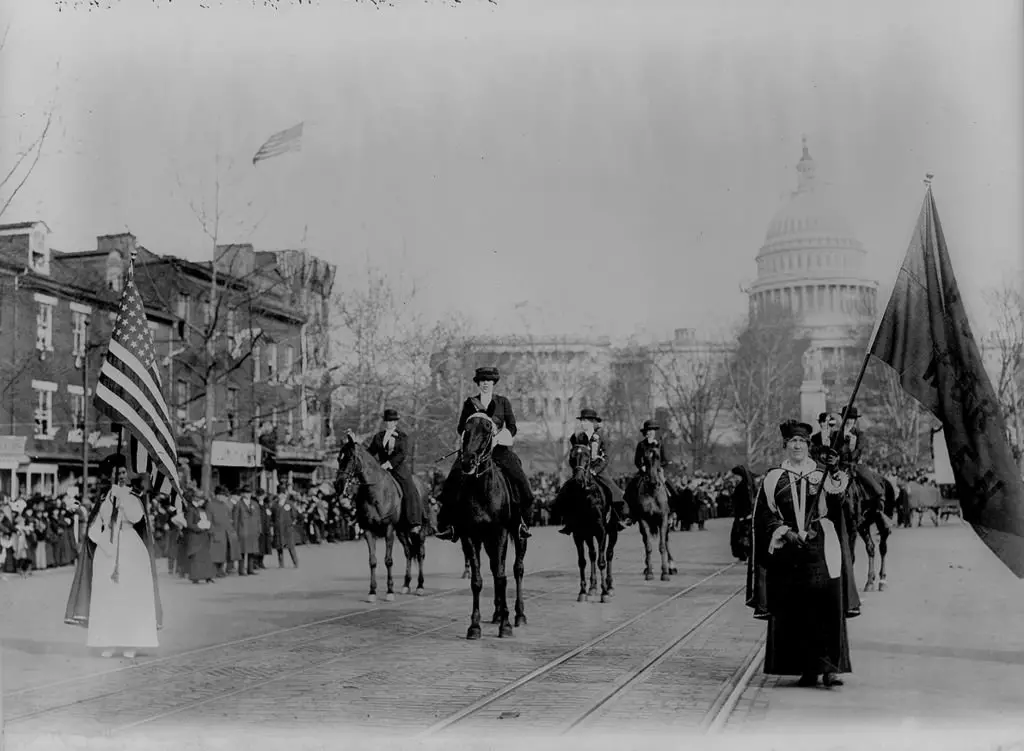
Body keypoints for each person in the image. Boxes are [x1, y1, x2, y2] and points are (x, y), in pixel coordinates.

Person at [749, 419, 859, 688]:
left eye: (801, 442)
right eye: (792, 442)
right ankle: (806, 668)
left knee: (827, 606)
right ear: (785, 446)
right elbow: (764, 515)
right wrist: (784, 532)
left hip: (821, 546)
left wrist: (834, 470)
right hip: (790, 550)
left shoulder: (822, 475)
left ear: (809, 446)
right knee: (797, 610)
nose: (797, 446)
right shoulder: (774, 478)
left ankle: (831, 668)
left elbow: (838, 503)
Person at [64, 452, 162, 659]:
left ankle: (131, 642)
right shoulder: (103, 497)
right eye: (117, 473)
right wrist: (103, 543)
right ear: (110, 476)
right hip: (107, 549)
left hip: (129, 547)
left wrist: (123, 500)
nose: (121, 476)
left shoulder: (134, 495)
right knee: (107, 597)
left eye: (124, 472)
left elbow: (136, 518)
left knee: (129, 596)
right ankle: (108, 640)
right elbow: (95, 525)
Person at [434, 366, 535, 543]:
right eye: (482, 381)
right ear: (478, 384)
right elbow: (461, 428)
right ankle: (450, 526)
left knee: (520, 480)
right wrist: (470, 438)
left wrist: (498, 436)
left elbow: (512, 427)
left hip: (499, 450)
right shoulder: (470, 403)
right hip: (474, 451)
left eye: (488, 381)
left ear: (493, 383)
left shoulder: (503, 402)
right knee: (452, 480)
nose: (485, 384)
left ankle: (520, 522)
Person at [552, 408, 628, 535]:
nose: (583, 423)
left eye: (585, 421)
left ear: (593, 422)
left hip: (598, 472)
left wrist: (595, 470)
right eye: (582, 421)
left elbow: (605, 457)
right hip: (581, 472)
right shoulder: (578, 436)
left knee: (616, 492)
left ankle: (617, 519)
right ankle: (568, 522)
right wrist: (577, 468)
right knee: (565, 491)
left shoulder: (601, 437)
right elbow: (574, 453)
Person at [367, 408, 424, 534]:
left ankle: (414, 522)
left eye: (391, 421)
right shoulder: (378, 436)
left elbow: (402, 454)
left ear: (395, 423)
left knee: (409, 489)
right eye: (387, 421)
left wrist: (390, 463)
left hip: (398, 468)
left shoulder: (402, 436)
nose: (389, 423)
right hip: (381, 469)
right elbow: (371, 452)